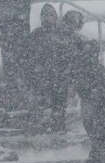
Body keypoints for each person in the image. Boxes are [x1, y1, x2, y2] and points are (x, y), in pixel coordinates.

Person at [27, 3, 72, 132]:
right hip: (42, 79)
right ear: (41, 18)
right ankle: (42, 131)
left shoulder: (63, 34)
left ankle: (59, 130)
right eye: (44, 15)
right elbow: (29, 56)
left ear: (56, 17)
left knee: (58, 109)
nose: (47, 18)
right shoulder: (36, 34)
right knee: (42, 110)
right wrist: (35, 72)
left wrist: (65, 73)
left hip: (59, 78)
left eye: (50, 15)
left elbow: (68, 55)